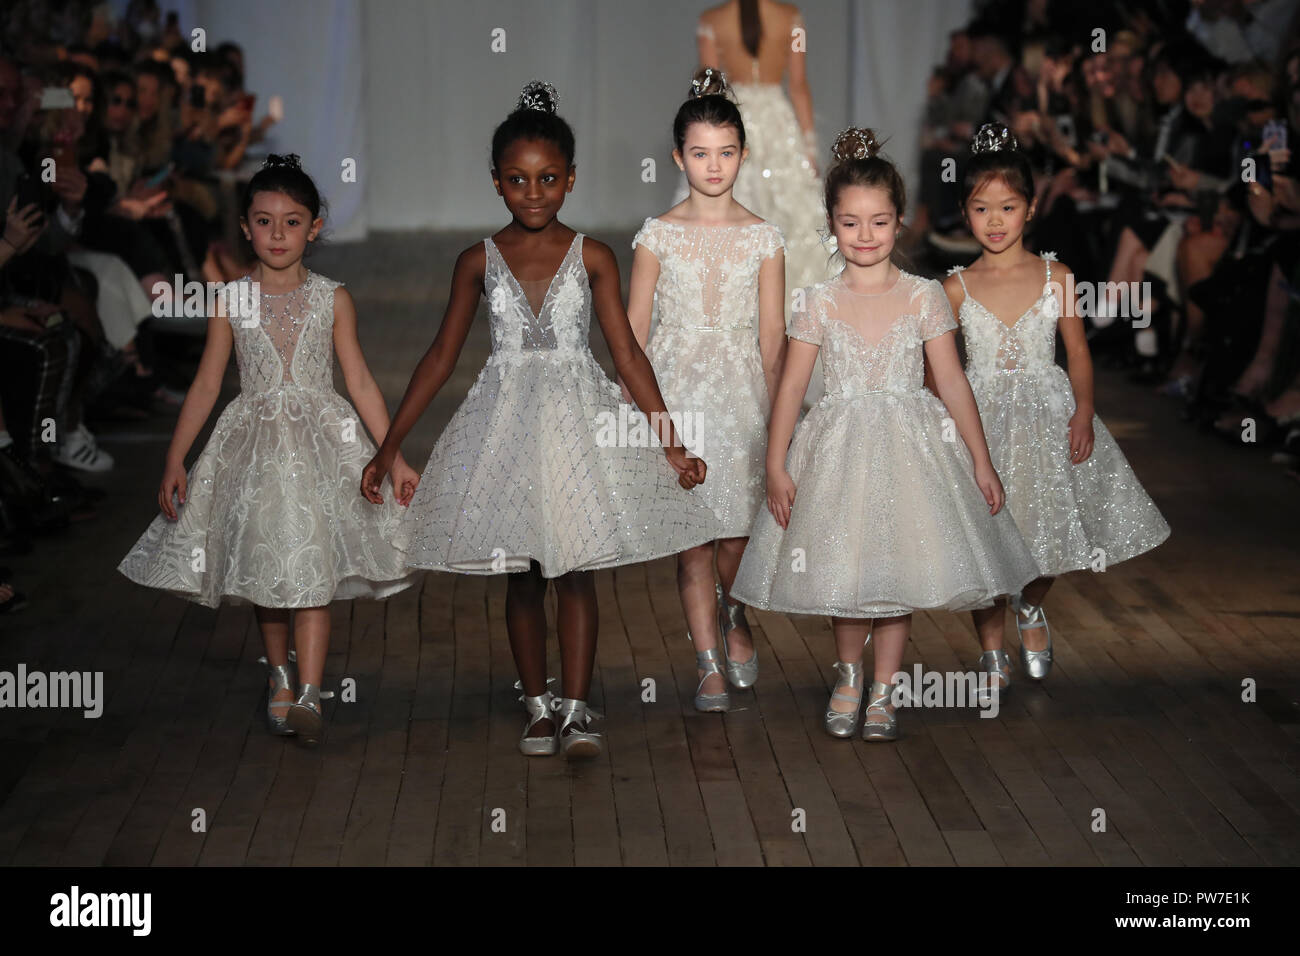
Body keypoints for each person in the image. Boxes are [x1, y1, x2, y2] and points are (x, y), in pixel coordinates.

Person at [362, 83, 721, 759]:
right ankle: (536, 703)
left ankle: (579, 708)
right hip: (503, 429)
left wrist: (671, 446)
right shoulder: (477, 261)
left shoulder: (593, 257)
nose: (534, 193)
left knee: (575, 566)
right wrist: (389, 447)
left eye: (548, 178)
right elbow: (441, 357)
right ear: (496, 182)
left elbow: (628, 356)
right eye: (519, 180)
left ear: (571, 180)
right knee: (522, 570)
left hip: (575, 427)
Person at [730, 128, 1039, 742]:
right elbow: (791, 387)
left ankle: (886, 689)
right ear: (831, 224)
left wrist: (981, 462)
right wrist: (775, 463)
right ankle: (849, 676)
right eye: (850, 223)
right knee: (848, 569)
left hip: (910, 447)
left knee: (895, 570)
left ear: (900, 223)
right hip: (839, 449)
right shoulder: (817, 301)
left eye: (878, 222)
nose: (865, 236)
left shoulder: (924, 296)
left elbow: (952, 384)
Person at [118, 154, 419, 746]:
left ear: (314, 228)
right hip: (250, 451)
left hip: (321, 446)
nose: (276, 234)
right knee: (265, 563)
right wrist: (177, 457)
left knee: (309, 565)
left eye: (291, 221)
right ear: (245, 227)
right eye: (263, 221)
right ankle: (279, 675)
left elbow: (357, 380)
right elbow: (208, 382)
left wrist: (393, 455)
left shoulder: (333, 298)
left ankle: (308, 692)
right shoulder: (230, 300)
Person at [944, 123, 1170, 689]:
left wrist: (1084, 409)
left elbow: (1077, 352)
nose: (995, 221)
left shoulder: (1058, 276)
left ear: (1031, 208)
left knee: (1049, 531)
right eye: (981, 208)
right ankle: (991, 649)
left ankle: (1031, 605)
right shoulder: (956, 287)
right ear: (965, 213)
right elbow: (941, 371)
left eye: (1008, 206)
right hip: (984, 423)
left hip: (1047, 416)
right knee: (986, 538)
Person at [627, 68, 786, 712]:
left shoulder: (765, 237)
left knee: (739, 538)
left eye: (725, 153)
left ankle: (735, 613)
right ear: (677, 157)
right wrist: (643, 418)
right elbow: (633, 335)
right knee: (692, 536)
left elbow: (773, 339)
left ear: (743, 156)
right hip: (677, 395)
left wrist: (783, 422)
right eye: (700, 153)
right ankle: (708, 662)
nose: (713, 165)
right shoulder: (656, 235)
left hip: (744, 397)